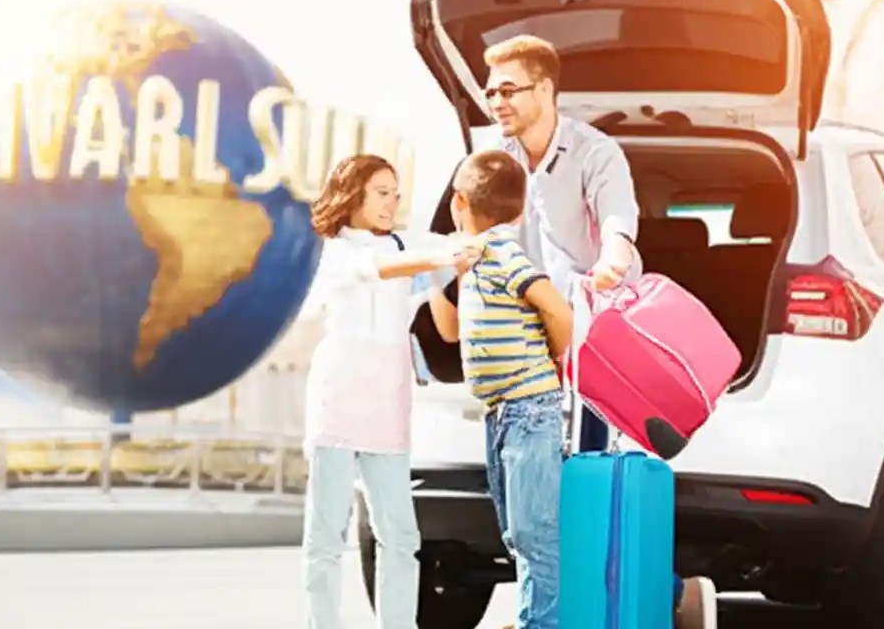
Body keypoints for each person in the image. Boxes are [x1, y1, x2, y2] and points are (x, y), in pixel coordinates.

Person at [479, 34, 718, 629]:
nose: (496, 101)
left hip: (594, 337)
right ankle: (554, 605)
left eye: (508, 89)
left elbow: (617, 216)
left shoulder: (594, 152)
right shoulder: (498, 157)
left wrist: (613, 255)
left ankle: (661, 596)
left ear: (546, 89)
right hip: (531, 341)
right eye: (490, 90)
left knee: (582, 473)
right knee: (524, 489)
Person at [299, 153, 475, 629]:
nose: (391, 201)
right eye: (381, 192)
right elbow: (388, 267)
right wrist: (446, 255)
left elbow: (442, 253)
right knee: (325, 538)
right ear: (352, 194)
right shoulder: (338, 251)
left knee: (401, 537)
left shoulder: (403, 243)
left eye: (395, 193)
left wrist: (465, 243)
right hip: (337, 405)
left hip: (388, 410)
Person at [425, 149, 573, 629]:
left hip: (529, 409)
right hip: (502, 413)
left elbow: (559, 311)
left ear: (458, 204)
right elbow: (449, 333)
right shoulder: (476, 262)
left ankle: (541, 624)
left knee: (534, 532)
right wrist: (439, 270)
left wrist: (552, 355)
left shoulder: (502, 253)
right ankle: (535, 617)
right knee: (517, 533)